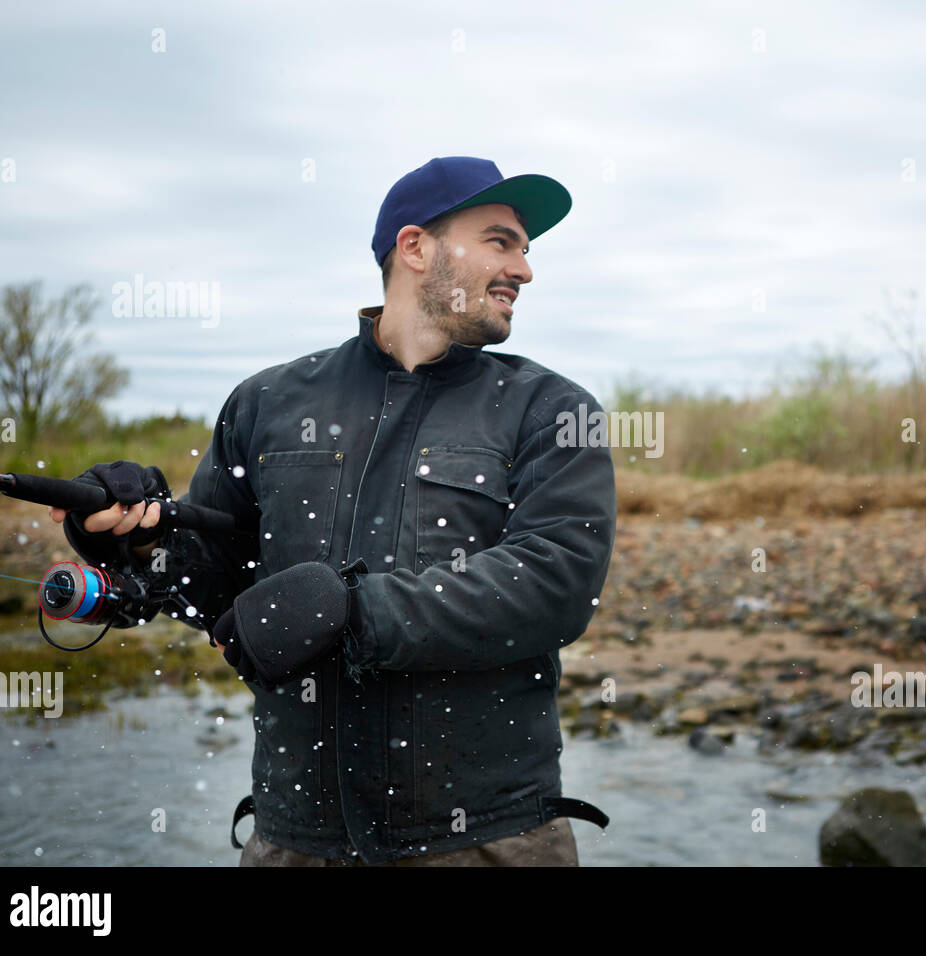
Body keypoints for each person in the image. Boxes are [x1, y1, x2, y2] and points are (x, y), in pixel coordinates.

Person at [48, 156, 617, 866]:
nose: (525, 269)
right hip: (290, 842)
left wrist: (354, 610)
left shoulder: (554, 411)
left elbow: (555, 585)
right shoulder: (268, 402)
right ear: (415, 248)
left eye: (526, 249)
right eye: (502, 241)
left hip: (489, 841)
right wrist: (133, 540)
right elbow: (215, 585)